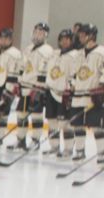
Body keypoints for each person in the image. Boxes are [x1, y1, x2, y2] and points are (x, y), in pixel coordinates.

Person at [14, 23, 53, 150]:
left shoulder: (47, 51)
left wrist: (40, 89)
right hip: (25, 87)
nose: (37, 34)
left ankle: (35, 141)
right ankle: (20, 140)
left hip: (36, 88)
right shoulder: (28, 48)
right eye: (36, 31)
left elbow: (45, 72)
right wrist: (19, 82)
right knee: (21, 114)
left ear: (45, 35)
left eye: (40, 32)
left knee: (36, 115)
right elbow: (22, 67)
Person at [68, 24, 104, 163]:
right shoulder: (78, 54)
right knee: (77, 125)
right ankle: (79, 151)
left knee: (97, 127)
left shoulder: (101, 52)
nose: (80, 37)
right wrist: (71, 86)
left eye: (83, 34)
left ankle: (101, 154)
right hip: (78, 95)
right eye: (80, 34)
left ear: (92, 36)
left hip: (93, 97)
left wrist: (101, 87)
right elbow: (74, 74)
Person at [43, 29, 81, 158]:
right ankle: (54, 147)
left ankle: (68, 148)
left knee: (65, 123)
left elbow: (76, 74)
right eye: (62, 39)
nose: (64, 41)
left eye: (67, 39)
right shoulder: (55, 54)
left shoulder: (75, 55)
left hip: (64, 94)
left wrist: (71, 89)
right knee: (52, 121)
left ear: (72, 41)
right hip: (51, 91)